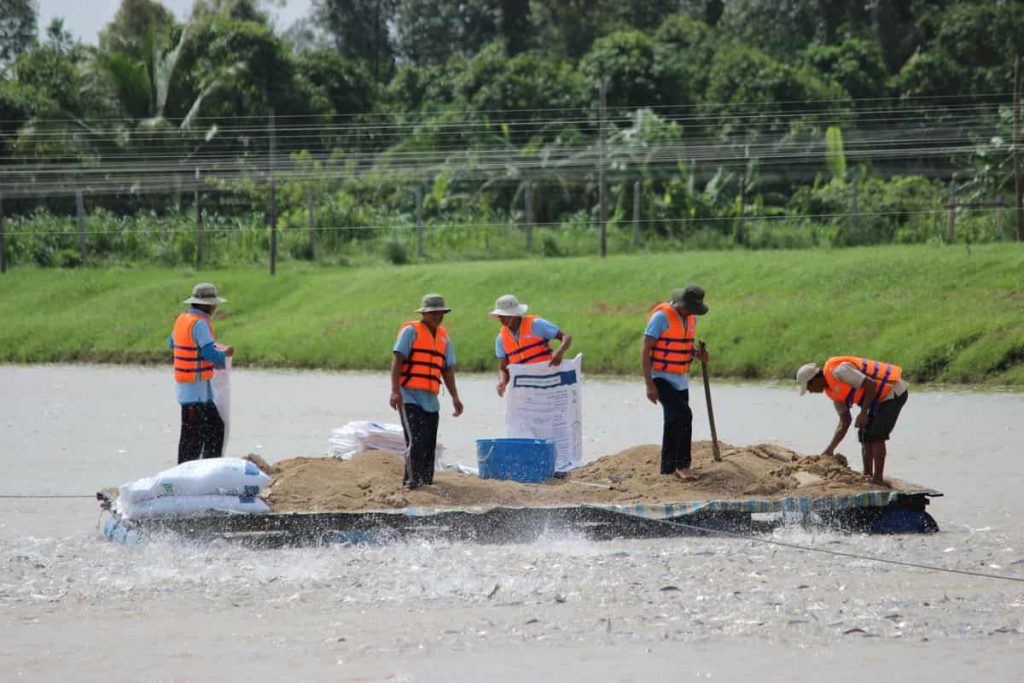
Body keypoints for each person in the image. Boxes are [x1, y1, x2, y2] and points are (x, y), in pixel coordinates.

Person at [389, 293, 464, 489]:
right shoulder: (411, 331)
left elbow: (447, 369)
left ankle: (426, 482)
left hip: (431, 399)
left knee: (430, 442)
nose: (437, 317)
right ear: (424, 313)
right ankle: (411, 482)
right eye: (433, 313)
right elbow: (397, 360)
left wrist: (455, 397)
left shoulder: (443, 337)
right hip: (409, 395)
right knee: (417, 439)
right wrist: (395, 390)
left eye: (440, 313)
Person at [796, 356, 909, 485]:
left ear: (816, 379)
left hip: (893, 392)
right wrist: (830, 450)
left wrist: (863, 413)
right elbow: (845, 421)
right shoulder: (832, 392)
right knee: (864, 434)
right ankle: (867, 475)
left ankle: (878, 479)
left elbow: (870, 384)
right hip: (877, 399)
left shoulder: (840, 371)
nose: (810, 391)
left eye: (809, 387)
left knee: (876, 434)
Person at [641, 285, 709, 481]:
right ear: (682, 304)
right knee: (681, 414)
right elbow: (645, 350)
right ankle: (672, 468)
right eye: (690, 308)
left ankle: (679, 466)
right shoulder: (661, 318)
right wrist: (649, 385)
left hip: (680, 379)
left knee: (680, 419)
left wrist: (697, 354)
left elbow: (684, 347)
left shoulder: (690, 318)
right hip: (660, 377)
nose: (692, 312)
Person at [169, 282, 234, 464]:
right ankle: (191, 470)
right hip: (195, 393)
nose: (215, 308)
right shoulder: (200, 324)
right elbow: (209, 354)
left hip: (192, 391)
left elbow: (172, 344)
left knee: (212, 428)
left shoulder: (182, 320)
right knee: (193, 436)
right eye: (214, 305)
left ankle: (206, 466)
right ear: (207, 305)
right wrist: (225, 354)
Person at [491, 294, 573, 397]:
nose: (501, 320)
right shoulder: (500, 339)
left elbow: (566, 337)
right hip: (525, 392)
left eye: (505, 316)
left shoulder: (537, 324)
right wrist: (502, 382)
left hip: (549, 383)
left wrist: (560, 352)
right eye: (500, 316)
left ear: (514, 314)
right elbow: (503, 368)